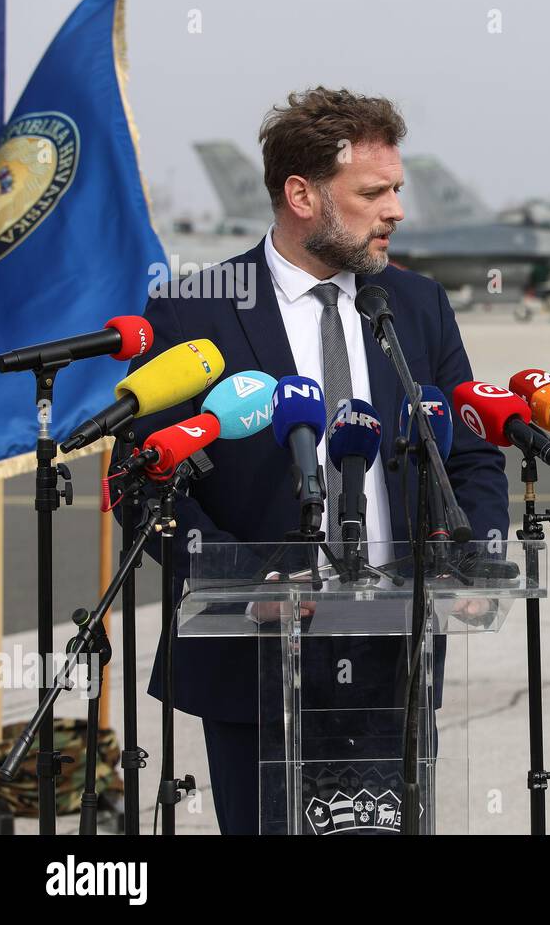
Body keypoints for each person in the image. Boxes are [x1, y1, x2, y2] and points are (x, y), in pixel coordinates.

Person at [112, 87, 508, 834]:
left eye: (397, 189)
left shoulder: (416, 304)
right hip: (255, 653)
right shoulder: (195, 310)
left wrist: (479, 554)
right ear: (301, 194)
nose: (395, 210)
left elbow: (474, 453)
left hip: (397, 645)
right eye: (374, 192)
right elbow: (143, 480)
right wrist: (236, 575)